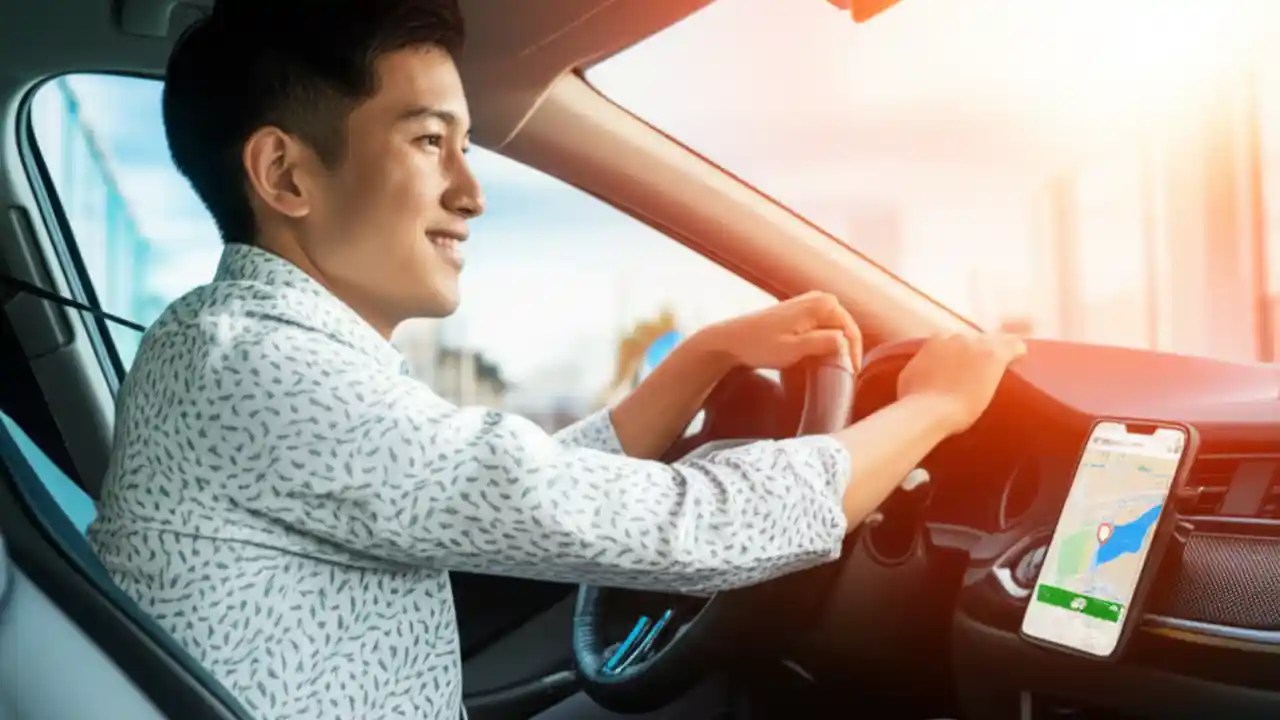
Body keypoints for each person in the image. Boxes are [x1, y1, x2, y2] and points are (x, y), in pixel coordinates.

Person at [86, 1, 1026, 719]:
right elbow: (683, 527)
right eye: (429, 142)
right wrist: (935, 408)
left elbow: (502, 491)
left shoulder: (225, 344)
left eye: (466, 144)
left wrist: (696, 363)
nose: (471, 192)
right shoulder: (265, 375)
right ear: (286, 175)